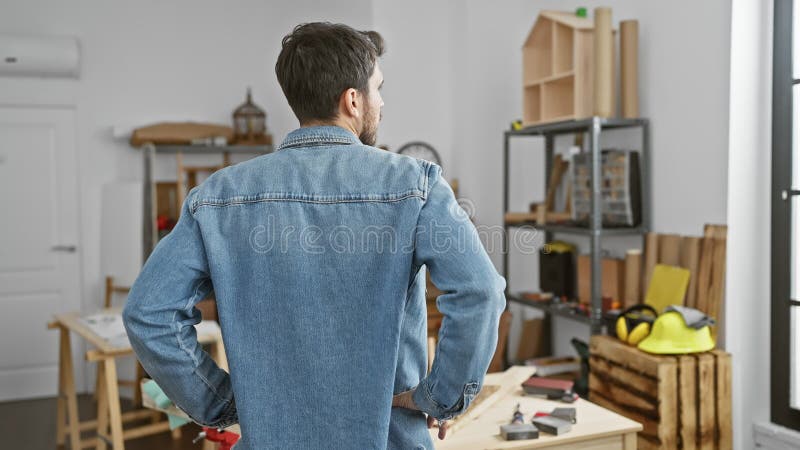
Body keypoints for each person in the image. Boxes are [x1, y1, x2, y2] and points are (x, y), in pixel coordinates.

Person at [123, 22, 505, 450]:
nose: (382, 102)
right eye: (378, 88)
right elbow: (480, 291)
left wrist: (224, 404)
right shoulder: (416, 184)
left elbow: (148, 314)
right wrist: (442, 398)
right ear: (353, 100)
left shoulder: (218, 197)